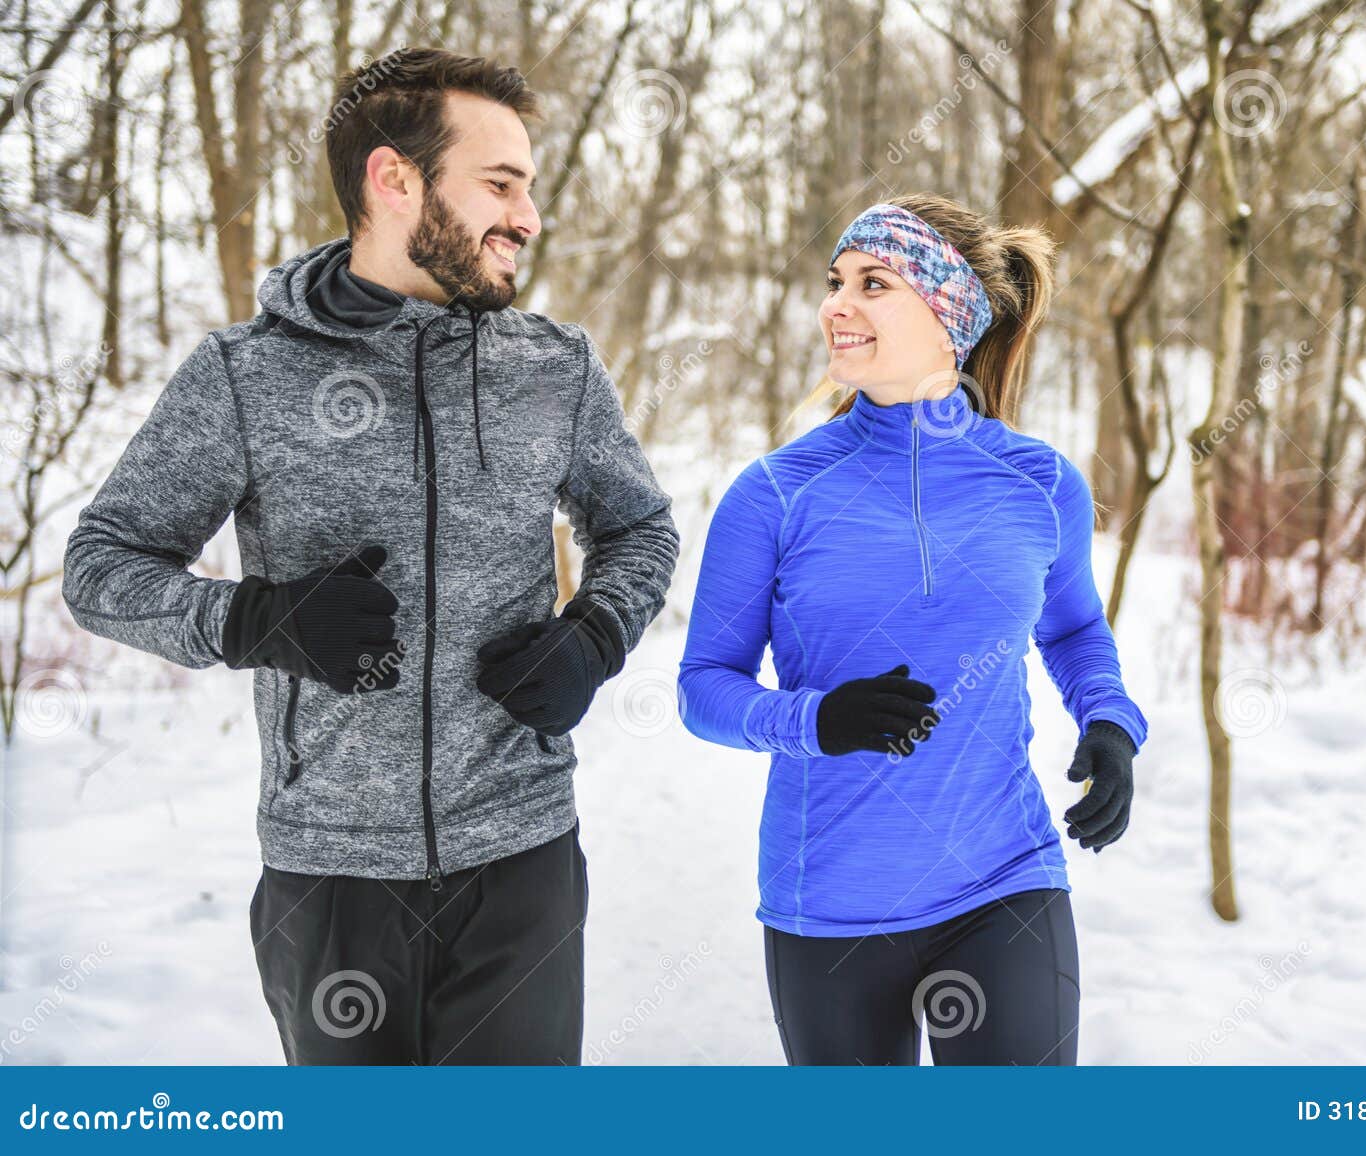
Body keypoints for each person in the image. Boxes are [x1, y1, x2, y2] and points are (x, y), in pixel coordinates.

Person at [61, 48, 680, 1065]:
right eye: (500, 185)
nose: (528, 217)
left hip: (520, 864)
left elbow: (640, 528)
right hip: (330, 879)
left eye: (529, 188)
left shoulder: (551, 368)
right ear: (395, 180)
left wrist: (595, 636)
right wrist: (248, 619)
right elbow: (102, 563)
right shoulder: (243, 377)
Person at [677, 195, 1148, 1065]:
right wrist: (813, 721)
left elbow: (1076, 628)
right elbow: (703, 688)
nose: (836, 305)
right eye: (834, 282)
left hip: (1004, 876)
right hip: (830, 903)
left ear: (947, 317)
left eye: (873, 283)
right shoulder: (777, 494)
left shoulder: (1037, 483)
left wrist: (1113, 724)